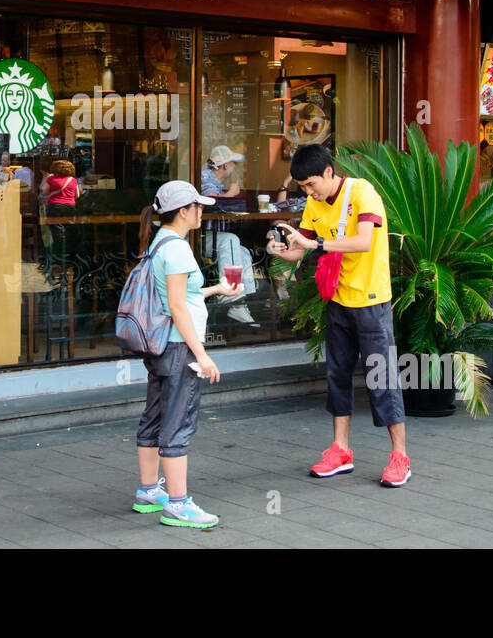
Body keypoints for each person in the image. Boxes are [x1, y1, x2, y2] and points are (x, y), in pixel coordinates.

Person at [268, 143, 410, 488]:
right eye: (302, 187)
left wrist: (315, 245)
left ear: (329, 172)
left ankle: (400, 457)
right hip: (337, 301)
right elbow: (303, 248)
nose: (308, 192)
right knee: (338, 376)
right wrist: (283, 251)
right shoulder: (315, 204)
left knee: (382, 378)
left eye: (312, 184)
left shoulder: (363, 193)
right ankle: (340, 450)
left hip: (372, 301)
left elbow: (363, 242)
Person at [133, 180, 242, 529]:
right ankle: (178, 504)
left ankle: (150, 491)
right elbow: (178, 306)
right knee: (177, 422)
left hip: (162, 345)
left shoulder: (160, 243)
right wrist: (203, 355)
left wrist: (216, 289)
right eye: (198, 206)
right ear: (184, 211)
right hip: (180, 347)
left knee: (153, 417)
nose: (201, 211)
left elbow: (180, 295)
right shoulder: (177, 249)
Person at [201, 146, 257, 326]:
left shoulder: (215, 181)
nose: (234, 166)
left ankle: (239, 304)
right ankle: (232, 292)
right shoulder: (205, 176)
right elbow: (210, 200)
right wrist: (231, 194)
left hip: (210, 236)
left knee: (242, 251)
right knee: (231, 240)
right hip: (197, 237)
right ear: (225, 165)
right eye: (232, 162)